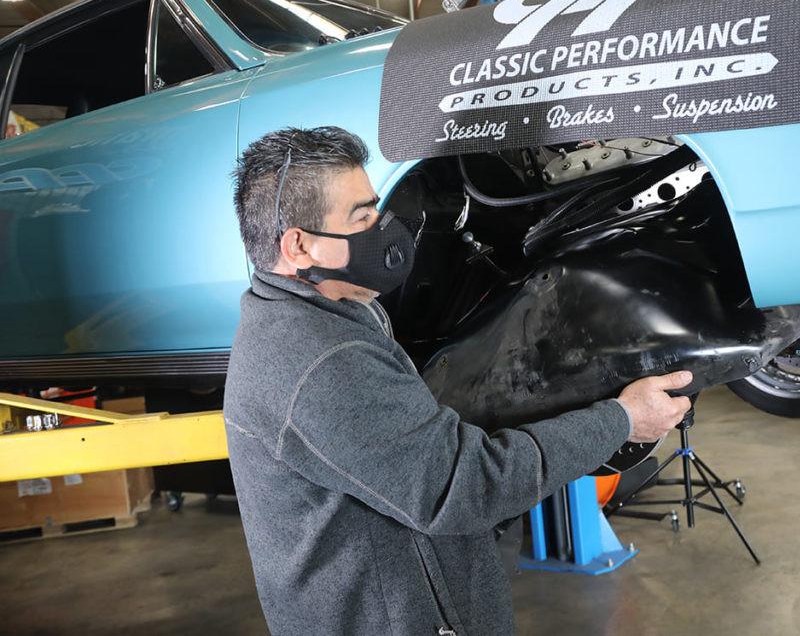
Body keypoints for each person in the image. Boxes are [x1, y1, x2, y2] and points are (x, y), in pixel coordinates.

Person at [223, 126, 693, 635]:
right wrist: (620, 421)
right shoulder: (322, 361)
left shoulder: (311, 314)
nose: (384, 227)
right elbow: (464, 489)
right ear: (299, 247)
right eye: (362, 217)